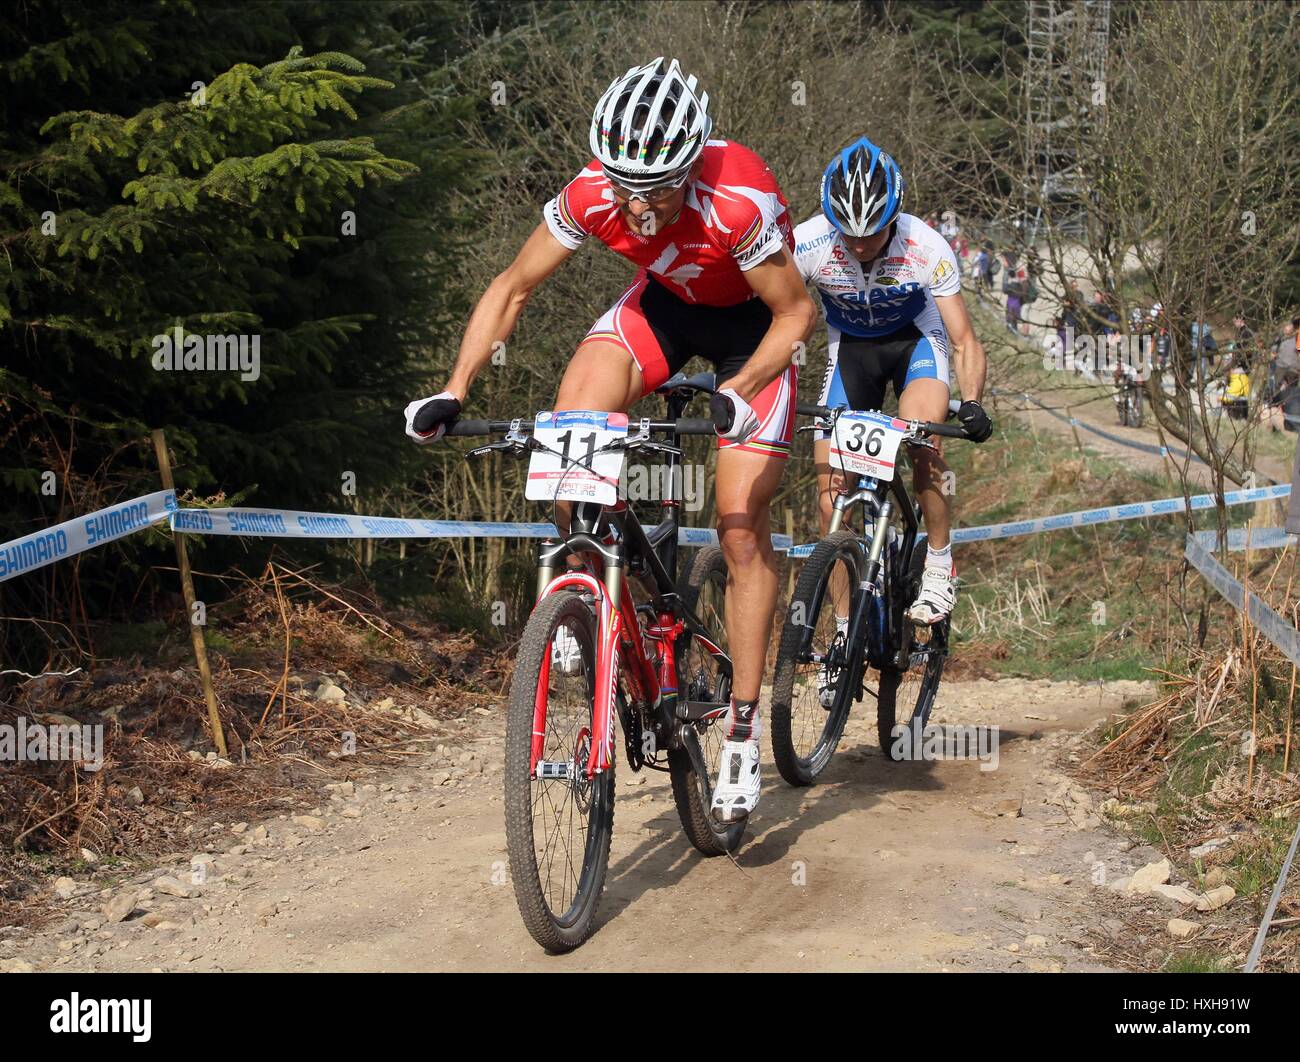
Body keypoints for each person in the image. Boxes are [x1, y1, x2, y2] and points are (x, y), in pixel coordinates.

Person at [404, 58, 817, 823]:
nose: (635, 204)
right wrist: (454, 387)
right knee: (570, 430)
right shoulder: (594, 193)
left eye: (654, 189)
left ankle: (742, 730)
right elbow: (512, 286)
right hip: (666, 307)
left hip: (754, 333)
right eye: (622, 183)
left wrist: (736, 394)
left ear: (689, 172)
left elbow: (796, 317)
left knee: (737, 526)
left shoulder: (738, 201)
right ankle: (589, 601)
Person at [792, 136, 991, 638]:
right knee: (829, 493)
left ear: (894, 215)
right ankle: (843, 628)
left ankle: (940, 566)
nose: (859, 246)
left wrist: (972, 403)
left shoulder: (926, 246)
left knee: (924, 446)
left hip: (915, 345)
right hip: (851, 353)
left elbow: (964, 340)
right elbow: (772, 317)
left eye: (872, 234)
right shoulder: (808, 243)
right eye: (849, 235)